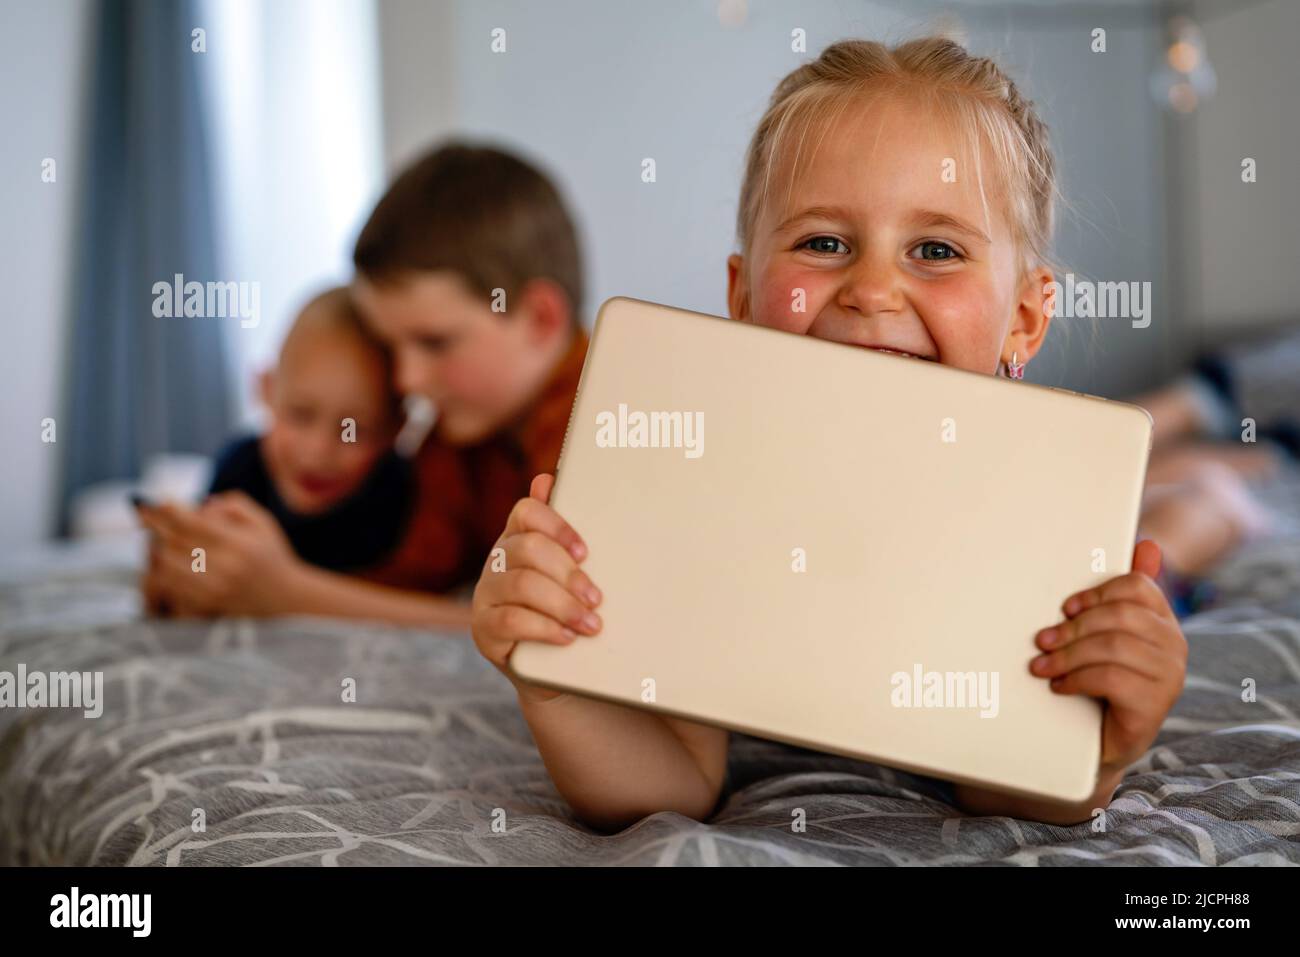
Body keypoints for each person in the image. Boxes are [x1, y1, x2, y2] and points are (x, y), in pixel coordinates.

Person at [470, 37, 1191, 829]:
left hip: (1118, 524)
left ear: (1023, 318)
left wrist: (1103, 752)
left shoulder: (1042, 511)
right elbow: (671, 783)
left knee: (1178, 531)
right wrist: (553, 680)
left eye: (936, 250)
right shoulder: (701, 488)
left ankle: (1216, 461)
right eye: (824, 243)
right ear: (741, 296)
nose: (874, 289)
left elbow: (1007, 785)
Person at [138, 143, 588, 628]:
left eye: (435, 343)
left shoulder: (599, 425)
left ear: (540, 319)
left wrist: (287, 592)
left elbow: (556, 622)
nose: (406, 379)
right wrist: (215, 575)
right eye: (393, 349)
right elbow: (404, 583)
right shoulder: (457, 442)